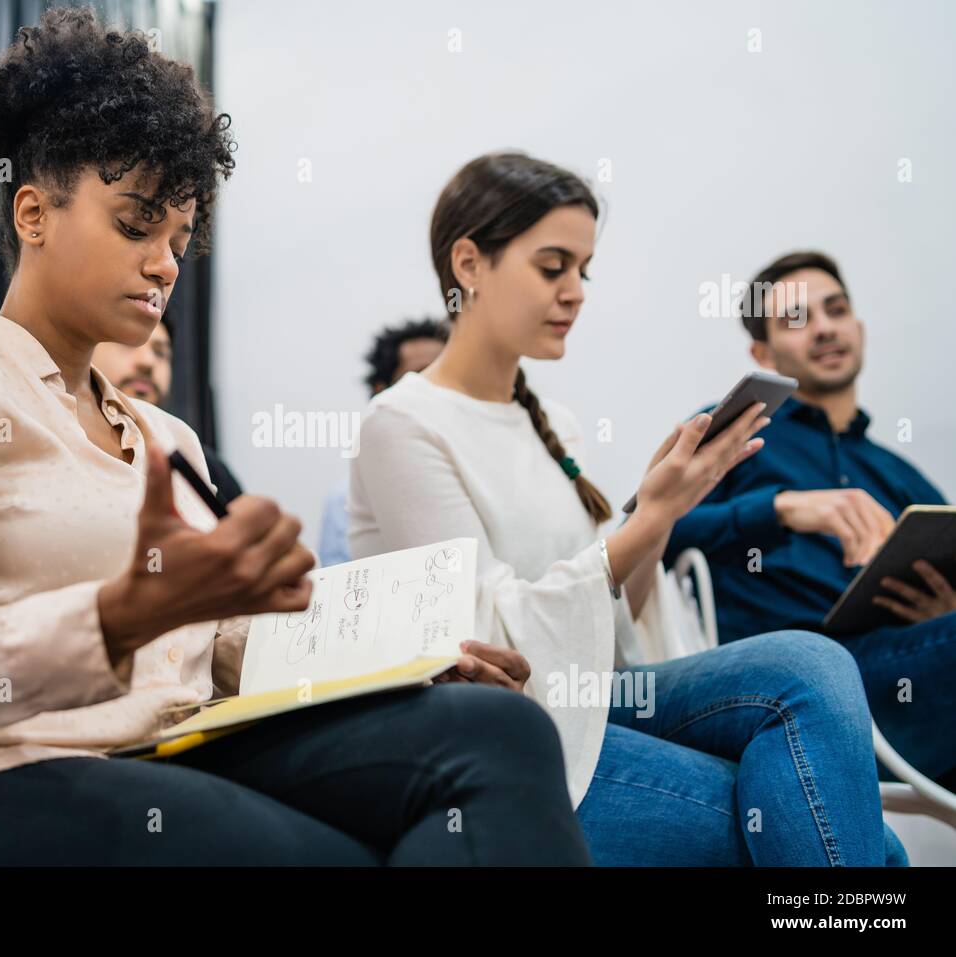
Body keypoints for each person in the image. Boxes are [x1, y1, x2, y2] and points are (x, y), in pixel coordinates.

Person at [0, 8, 588, 867]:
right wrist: (116, 617)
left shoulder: (163, 438)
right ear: (33, 212)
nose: (166, 262)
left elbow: (229, 646)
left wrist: (413, 661)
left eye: (180, 237)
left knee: (496, 732)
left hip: (166, 753)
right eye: (136, 224)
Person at [350, 151, 907, 865]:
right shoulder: (402, 425)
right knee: (871, 845)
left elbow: (611, 628)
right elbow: (485, 641)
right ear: (469, 265)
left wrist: (663, 516)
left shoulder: (555, 422)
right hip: (513, 725)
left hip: (599, 693)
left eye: (584, 270)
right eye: (553, 267)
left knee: (812, 662)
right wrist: (646, 521)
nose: (576, 291)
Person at [665, 251, 955, 789]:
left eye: (836, 310)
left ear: (858, 328)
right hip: (793, 690)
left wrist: (945, 612)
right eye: (796, 319)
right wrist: (780, 509)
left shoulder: (900, 477)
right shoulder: (733, 433)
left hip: (920, 684)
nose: (823, 329)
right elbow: (652, 533)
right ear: (762, 352)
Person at [318, 318, 446, 566]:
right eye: (419, 377)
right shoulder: (342, 502)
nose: (435, 389)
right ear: (381, 391)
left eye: (443, 375)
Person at [96, 314, 242, 503]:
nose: (147, 362)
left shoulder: (203, 463)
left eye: (160, 353)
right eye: (130, 343)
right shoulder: (61, 435)